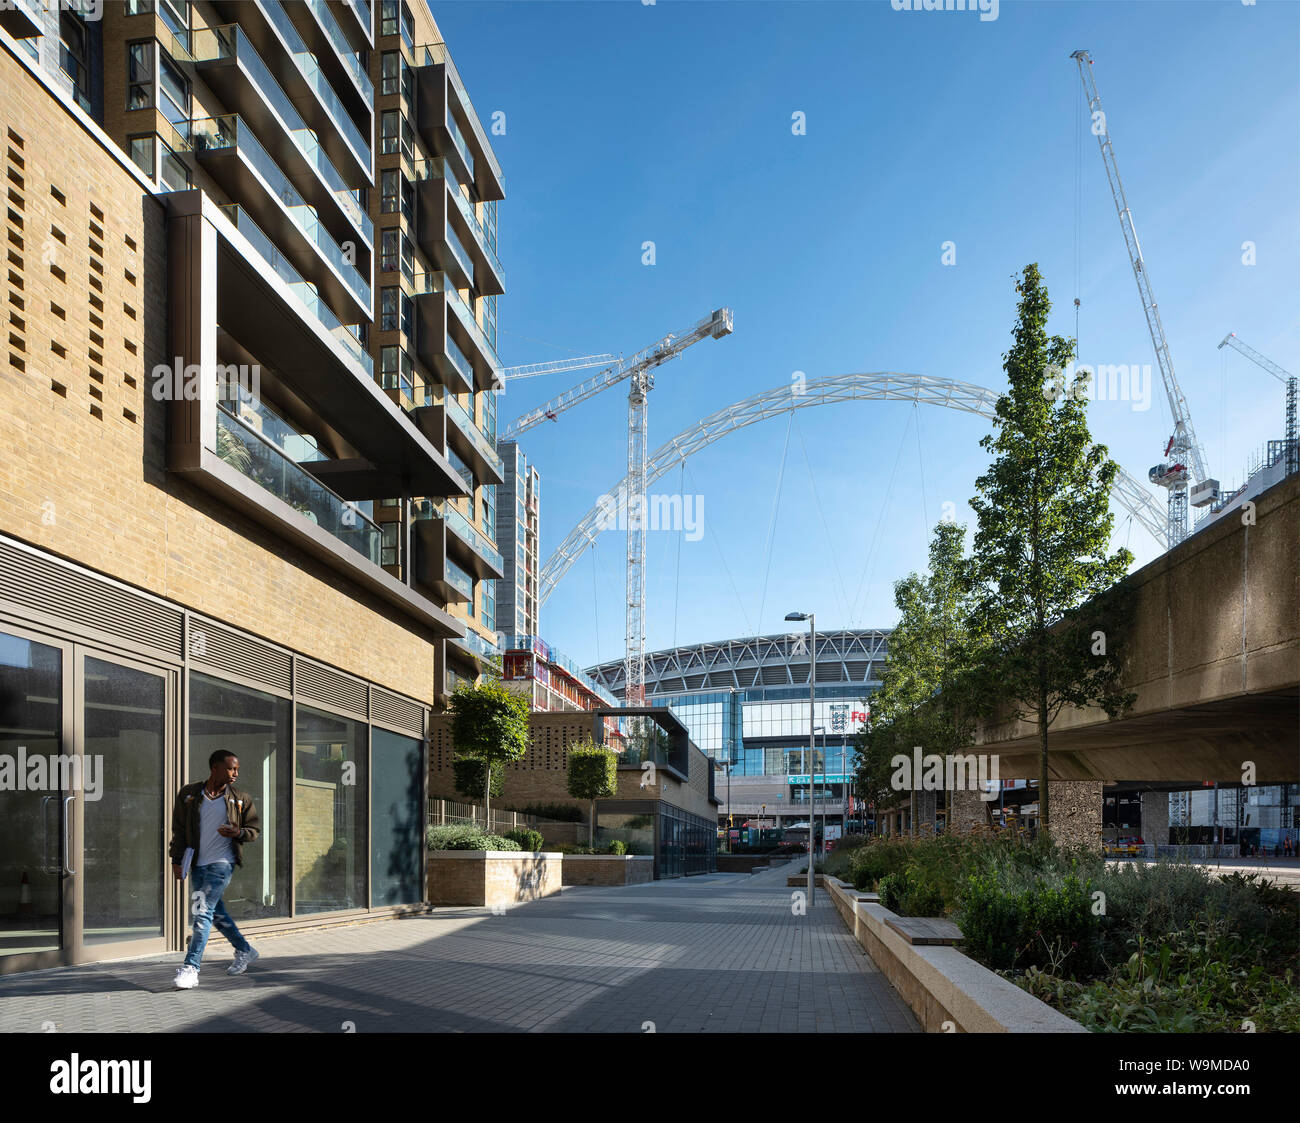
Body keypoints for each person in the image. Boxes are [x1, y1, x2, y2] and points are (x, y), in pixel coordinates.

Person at [169, 750, 261, 989]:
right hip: (196, 861)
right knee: (215, 914)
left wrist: (238, 832)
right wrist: (176, 860)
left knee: (201, 912)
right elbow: (179, 830)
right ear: (215, 768)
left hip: (223, 862)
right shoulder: (189, 794)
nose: (235, 773)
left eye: (237, 769)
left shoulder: (240, 799)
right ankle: (245, 950)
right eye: (231, 768)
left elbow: (254, 830)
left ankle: (191, 968)